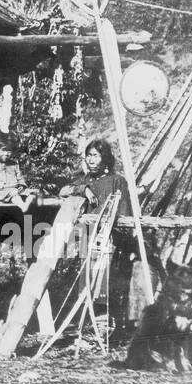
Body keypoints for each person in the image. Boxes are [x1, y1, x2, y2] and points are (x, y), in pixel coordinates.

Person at [59, 139, 140, 337]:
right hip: (86, 235)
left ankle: (105, 327)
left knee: (103, 281)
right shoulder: (86, 179)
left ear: (105, 158)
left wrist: (117, 237)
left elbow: (124, 212)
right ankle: (87, 326)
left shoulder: (116, 180)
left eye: (95, 155)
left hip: (108, 238)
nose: (91, 159)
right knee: (86, 279)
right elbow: (62, 191)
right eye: (89, 155)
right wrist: (83, 190)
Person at [0, 134, 40, 213]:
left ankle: (27, 204)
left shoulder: (14, 164)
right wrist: (10, 186)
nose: (6, 153)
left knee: (33, 193)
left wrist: (21, 186)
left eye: (9, 150)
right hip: (0, 192)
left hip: (17, 191)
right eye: (3, 150)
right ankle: (23, 206)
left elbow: (20, 178)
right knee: (13, 193)